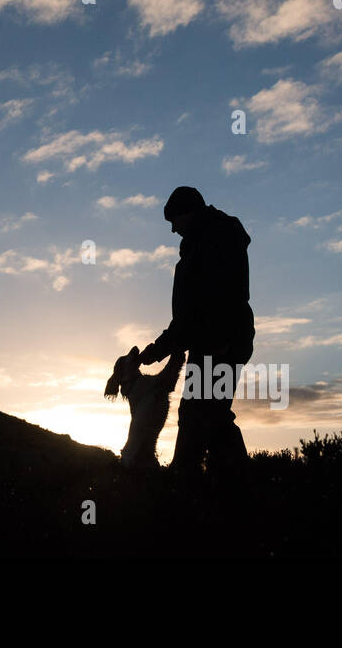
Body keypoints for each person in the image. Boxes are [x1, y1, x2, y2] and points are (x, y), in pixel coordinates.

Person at [140, 185, 255, 475]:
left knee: (203, 415)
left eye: (173, 221)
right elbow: (190, 316)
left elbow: (210, 304)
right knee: (207, 415)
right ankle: (215, 481)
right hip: (218, 341)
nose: (173, 230)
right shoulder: (207, 242)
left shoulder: (212, 243)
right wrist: (161, 348)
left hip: (218, 343)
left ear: (187, 213)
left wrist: (163, 347)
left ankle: (188, 480)